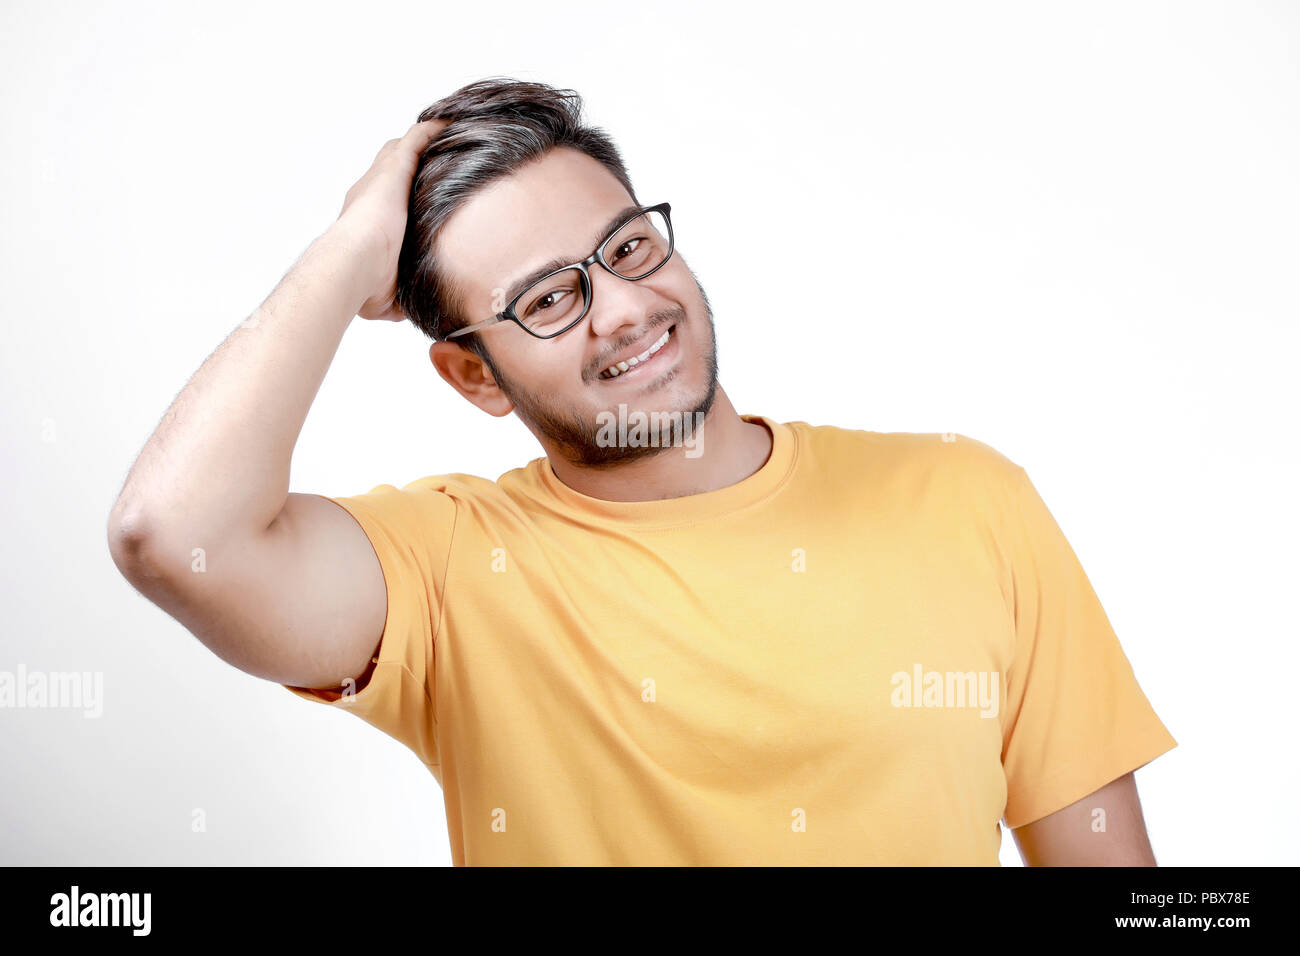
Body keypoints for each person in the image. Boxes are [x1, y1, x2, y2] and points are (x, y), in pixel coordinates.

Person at [107, 77, 1177, 866]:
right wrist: (348, 250)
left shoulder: (967, 499)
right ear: (472, 376)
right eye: (547, 299)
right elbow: (169, 530)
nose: (622, 308)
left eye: (625, 249)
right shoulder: (446, 569)